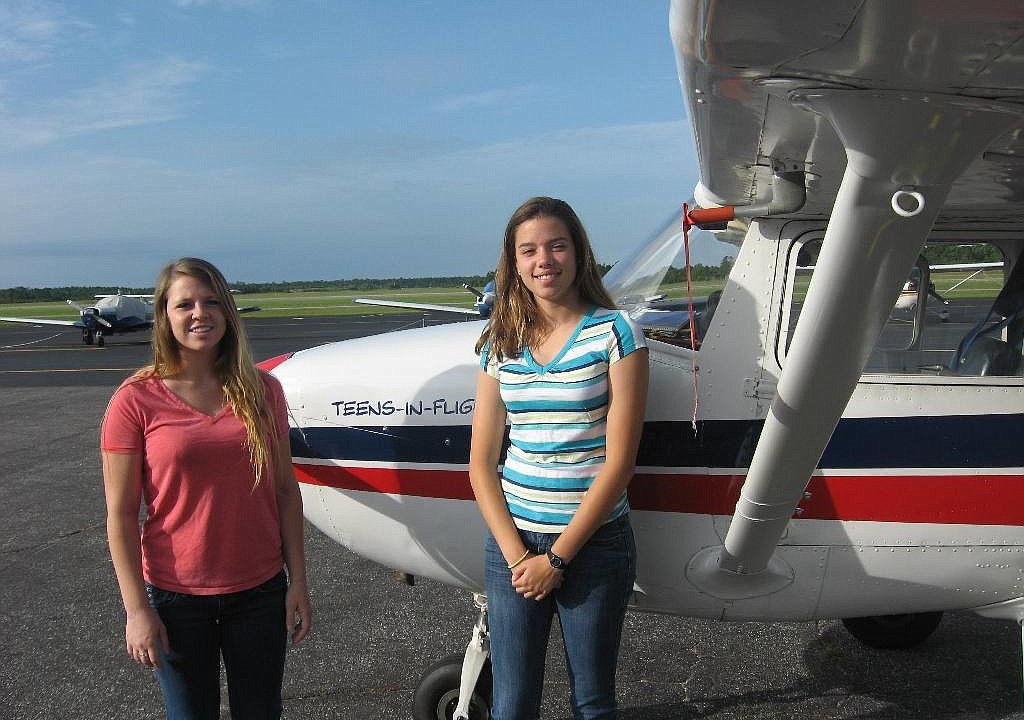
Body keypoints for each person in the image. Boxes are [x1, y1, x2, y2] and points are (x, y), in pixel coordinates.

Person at [101, 257, 312, 719]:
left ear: (228, 312)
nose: (201, 313)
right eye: (186, 304)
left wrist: (298, 581)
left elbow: (284, 492)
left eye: (213, 301)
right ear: (165, 316)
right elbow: (119, 516)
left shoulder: (262, 390)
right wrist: (137, 610)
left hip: (259, 592)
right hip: (177, 600)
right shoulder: (135, 400)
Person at [469, 197, 650, 719]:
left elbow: (620, 463)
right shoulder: (497, 343)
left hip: (593, 545)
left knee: (592, 702)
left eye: (556, 245)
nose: (543, 260)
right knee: (511, 703)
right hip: (515, 547)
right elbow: (481, 463)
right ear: (514, 262)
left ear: (578, 254)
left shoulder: (615, 334)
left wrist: (557, 559)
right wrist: (519, 557)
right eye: (528, 250)